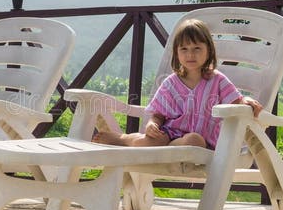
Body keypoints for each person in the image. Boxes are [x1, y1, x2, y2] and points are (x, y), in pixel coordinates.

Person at [93, 18, 263, 150]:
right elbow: (158, 114)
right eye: (184, 49)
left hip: (202, 141)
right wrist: (153, 124)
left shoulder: (217, 80)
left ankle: (167, 148)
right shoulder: (171, 83)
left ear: (209, 50)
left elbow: (236, 101)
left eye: (197, 48)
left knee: (193, 140)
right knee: (148, 142)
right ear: (176, 53)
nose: (190, 54)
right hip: (169, 132)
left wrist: (246, 100)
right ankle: (124, 139)